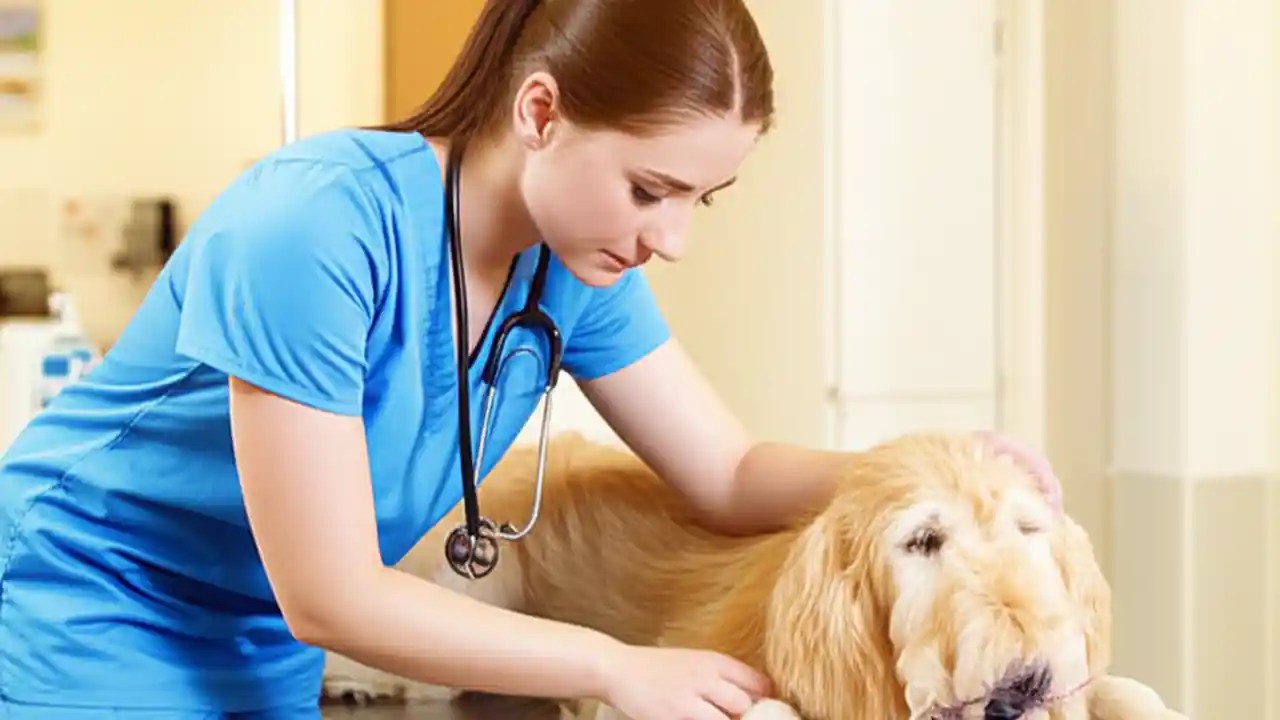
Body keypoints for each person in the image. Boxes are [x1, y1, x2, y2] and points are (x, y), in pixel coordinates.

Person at [0, 0, 1062, 718]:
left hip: (256, 640)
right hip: (88, 601)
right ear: (539, 110)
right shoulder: (313, 228)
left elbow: (728, 476)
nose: (671, 237)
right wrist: (615, 668)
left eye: (701, 198)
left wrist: (933, 473)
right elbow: (330, 595)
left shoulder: (569, 273)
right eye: (649, 189)